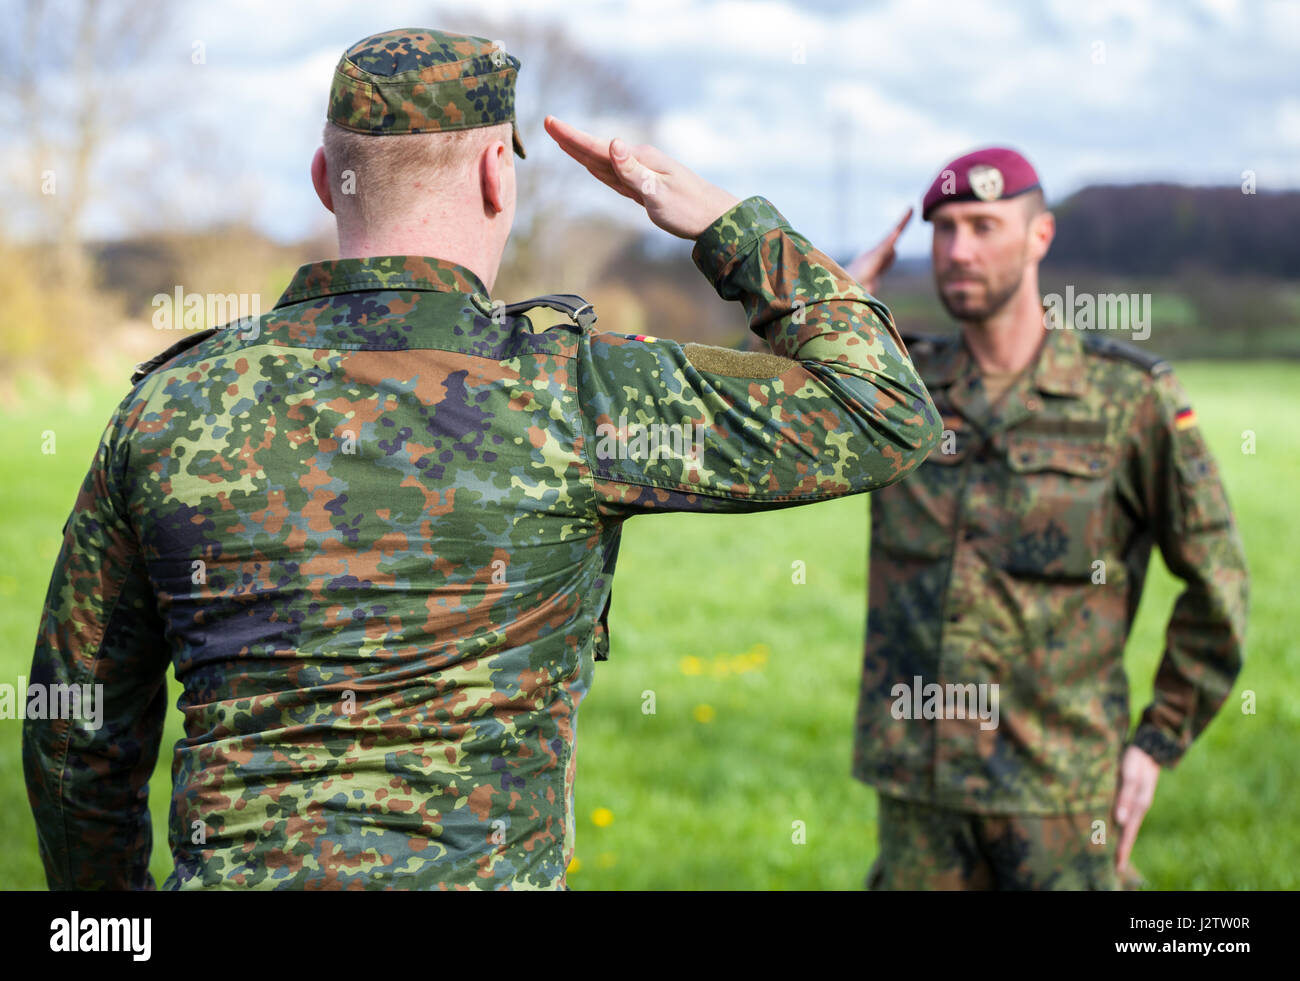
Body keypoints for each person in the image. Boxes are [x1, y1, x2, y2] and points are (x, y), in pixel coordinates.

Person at [23, 27, 940, 890]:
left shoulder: (169, 406)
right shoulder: (579, 393)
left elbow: (75, 736)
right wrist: (726, 224)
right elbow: (883, 407)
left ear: (321, 176)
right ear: (498, 174)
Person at [847, 147, 1248, 890]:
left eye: (984, 226)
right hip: (918, 788)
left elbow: (1218, 582)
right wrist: (821, 313)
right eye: (943, 229)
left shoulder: (1128, 399)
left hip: (1058, 793)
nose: (959, 249)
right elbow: (749, 427)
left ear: (1040, 237)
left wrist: (1157, 740)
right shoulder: (895, 390)